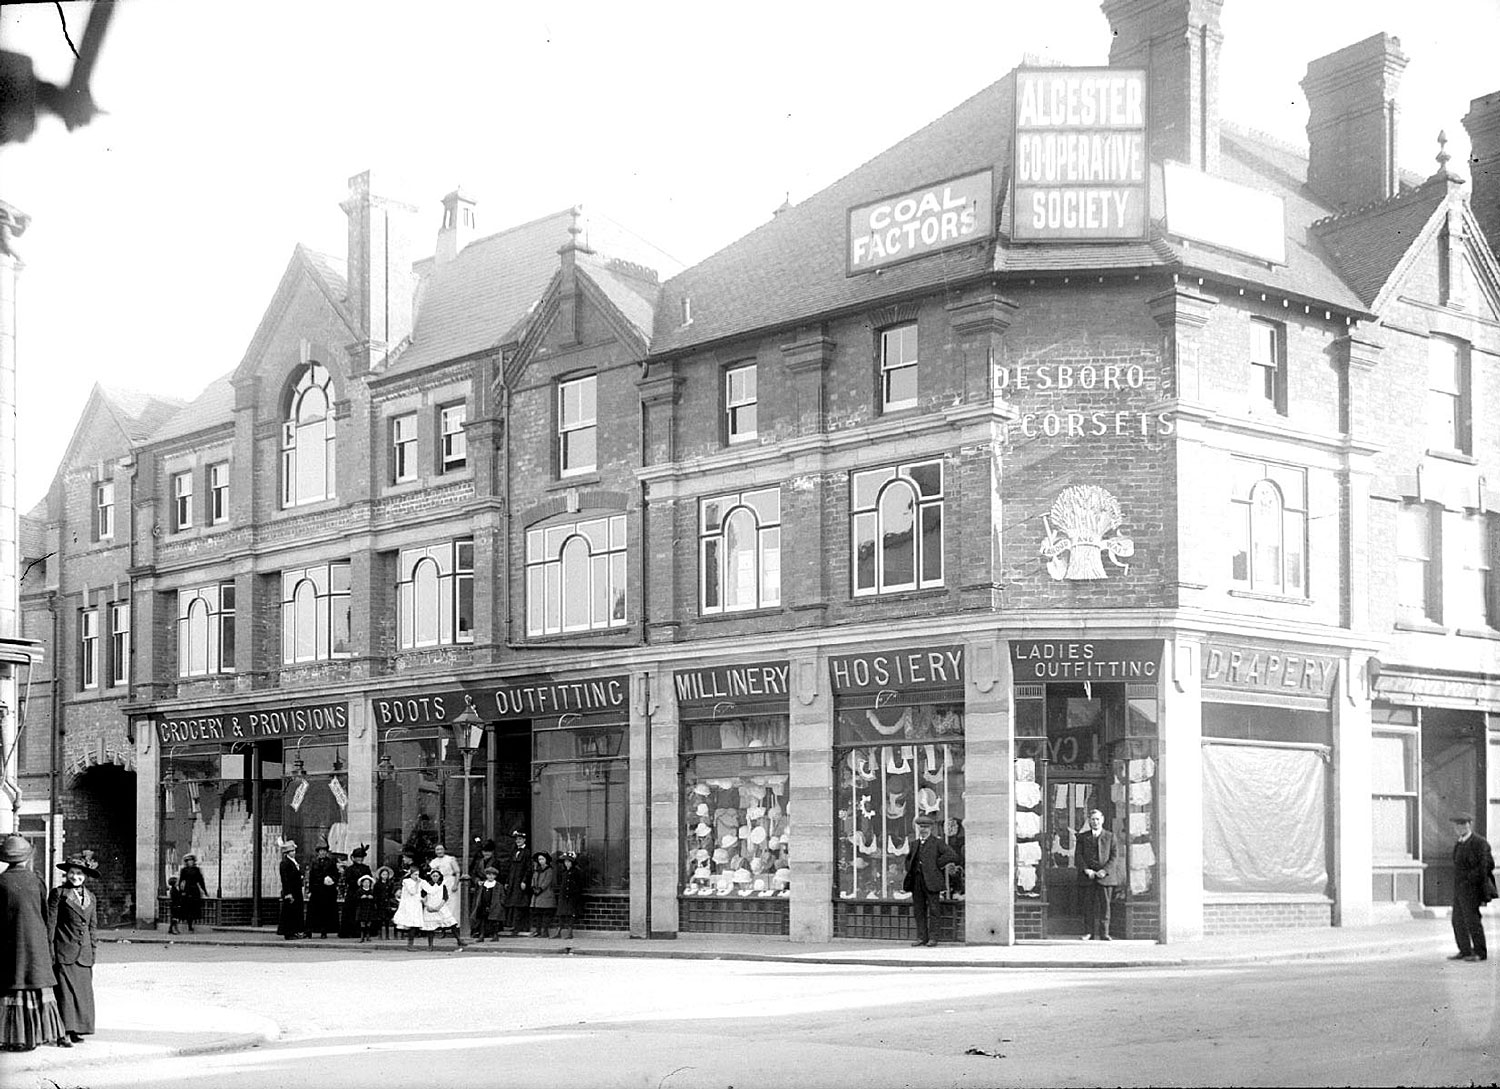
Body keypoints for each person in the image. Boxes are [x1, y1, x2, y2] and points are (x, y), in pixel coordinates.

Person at [0, 834, 69, 1051]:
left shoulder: (0, 882)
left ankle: (12, 1037)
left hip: (11, 943)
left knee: (12, 987)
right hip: (35, 944)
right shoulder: (37, 881)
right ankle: (37, 1035)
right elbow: (43, 913)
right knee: (36, 988)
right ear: (26, 858)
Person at [47, 856, 99, 1044]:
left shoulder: (91, 897)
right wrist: (50, 951)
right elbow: (50, 925)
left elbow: (93, 928)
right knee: (66, 994)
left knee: (82, 994)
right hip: (64, 951)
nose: (75, 876)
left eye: (79, 873)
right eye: (72, 873)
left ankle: (78, 1030)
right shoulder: (59, 894)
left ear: (85, 876)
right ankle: (64, 1033)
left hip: (83, 954)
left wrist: (93, 952)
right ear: (66, 874)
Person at [903, 815, 960, 947]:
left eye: (926, 827)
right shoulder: (914, 844)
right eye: (921, 827)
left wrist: (937, 864)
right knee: (919, 910)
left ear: (931, 829)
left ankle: (933, 938)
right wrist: (911, 869)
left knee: (934, 910)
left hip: (932, 881)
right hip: (917, 881)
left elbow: (952, 855)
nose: (923, 830)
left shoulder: (937, 843)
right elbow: (908, 860)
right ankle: (921, 937)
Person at [1448, 814, 1495, 962]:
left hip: (1472, 889)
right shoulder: (1460, 843)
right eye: (1457, 825)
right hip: (1460, 890)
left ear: (1469, 825)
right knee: (1457, 920)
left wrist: (1470, 880)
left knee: (1472, 920)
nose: (1459, 828)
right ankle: (1465, 950)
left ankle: (1480, 952)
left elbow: (1487, 865)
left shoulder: (1479, 843)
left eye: (1463, 825)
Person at [1075, 808, 1122, 941]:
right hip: (1088, 877)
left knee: (1105, 906)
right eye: (1092, 819)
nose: (1095, 822)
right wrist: (1086, 870)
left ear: (1102, 820)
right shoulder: (1083, 837)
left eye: (1097, 819)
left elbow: (1114, 857)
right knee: (1088, 905)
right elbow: (1078, 856)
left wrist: (1104, 871)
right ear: (1089, 821)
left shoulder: (1110, 836)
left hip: (1105, 878)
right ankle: (1088, 932)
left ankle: (1104, 933)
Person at [419, 868, 464, 950]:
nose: (435, 877)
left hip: (441, 907)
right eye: (433, 876)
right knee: (430, 928)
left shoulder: (442, 885)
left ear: (439, 876)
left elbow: (445, 897)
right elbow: (422, 897)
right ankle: (430, 945)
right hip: (430, 907)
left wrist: (439, 907)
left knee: (452, 923)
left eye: (437, 876)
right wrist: (427, 906)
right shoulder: (427, 885)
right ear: (431, 876)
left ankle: (459, 940)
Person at [501, 830, 531, 936]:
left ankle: (520, 926)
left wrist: (524, 881)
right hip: (513, 881)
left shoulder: (526, 852)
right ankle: (512, 925)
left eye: (520, 839)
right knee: (512, 903)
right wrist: (507, 881)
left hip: (520, 881)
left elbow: (528, 868)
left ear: (524, 840)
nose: (518, 841)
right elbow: (510, 868)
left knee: (520, 904)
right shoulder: (514, 851)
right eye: (517, 839)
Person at [307, 844, 340, 939]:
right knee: (313, 912)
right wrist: (310, 890)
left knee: (325, 911)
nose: (322, 853)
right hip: (316, 890)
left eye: (324, 851)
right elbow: (311, 877)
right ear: (318, 852)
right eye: (321, 851)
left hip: (327, 890)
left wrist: (331, 880)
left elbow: (336, 875)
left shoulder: (331, 862)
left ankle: (324, 931)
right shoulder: (314, 862)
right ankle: (310, 931)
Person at [392, 862, 425, 950]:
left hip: (416, 905)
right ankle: (410, 945)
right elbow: (412, 892)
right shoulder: (407, 882)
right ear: (410, 875)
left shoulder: (420, 881)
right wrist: (418, 883)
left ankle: (411, 944)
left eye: (418, 874)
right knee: (411, 924)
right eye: (415, 874)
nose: (416, 876)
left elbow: (419, 893)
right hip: (409, 905)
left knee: (414, 925)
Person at [340, 845, 372, 938]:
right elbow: (348, 880)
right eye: (357, 857)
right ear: (353, 858)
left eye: (361, 857)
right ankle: (349, 931)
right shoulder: (349, 869)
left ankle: (362, 931)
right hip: (353, 892)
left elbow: (369, 878)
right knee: (350, 912)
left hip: (363, 892)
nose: (360, 859)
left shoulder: (366, 868)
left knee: (363, 912)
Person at [276, 839, 304, 940]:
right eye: (291, 851)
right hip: (290, 891)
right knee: (289, 912)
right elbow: (285, 879)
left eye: (294, 851)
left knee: (296, 911)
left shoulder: (294, 862)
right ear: (286, 853)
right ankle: (288, 932)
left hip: (296, 890)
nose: (293, 853)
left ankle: (296, 930)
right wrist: (288, 893)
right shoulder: (285, 863)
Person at [472, 866, 504, 942]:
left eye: (493, 875)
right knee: (483, 920)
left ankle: (495, 935)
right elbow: (479, 894)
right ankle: (482, 935)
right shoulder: (483, 885)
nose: (490, 877)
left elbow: (502, 895)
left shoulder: (498, 885)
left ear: (495, 876)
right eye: (489, 875)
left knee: (494, 921)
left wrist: (500, 903)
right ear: (486, 875)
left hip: (494, 905)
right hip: (483, 904)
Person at [177, 854, 208, 933]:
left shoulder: (197, 870)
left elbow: (201, 881)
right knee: (187, 908)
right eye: (188, 861)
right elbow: (181, 881)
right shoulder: (184, 870)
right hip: (187, 890)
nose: (190, 862)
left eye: (191, 861)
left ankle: (192, 923)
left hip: (194, 890)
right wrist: (180, 891)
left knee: (194, 908)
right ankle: (189, 924)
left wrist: (204, 891)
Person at [555, 852, 583, 939]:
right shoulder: (563, 872)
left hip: (572, 896)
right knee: (561, 913)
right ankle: (559, 930)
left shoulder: (576, 872)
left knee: (571, 913)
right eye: (565, 862)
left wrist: (575, 893)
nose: (567, 863)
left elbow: (579, 885)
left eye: (569, 862)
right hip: (563, 895)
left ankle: (570, 932)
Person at [529, 852, 556, 938]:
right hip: (537, 896)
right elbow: (533, 879)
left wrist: (540, 888)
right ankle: (538, 930)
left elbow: (547, 881)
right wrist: (533, 887)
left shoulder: (549, 870)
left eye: (542, 859)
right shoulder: (537, 870)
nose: (541, 861)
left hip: (546, 894)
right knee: (538, 914)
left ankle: (545, 931)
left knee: (545, 915)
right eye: (539, 859)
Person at [353, 874, 380, 943]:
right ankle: (362, 937)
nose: (366, 884)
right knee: (362, 923)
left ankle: (368, 936)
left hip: (370, 908)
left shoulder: (372, 891)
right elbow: (355, 899)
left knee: (368, 924)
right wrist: (361, 897)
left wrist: (372, 898)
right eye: (365, 882)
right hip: (362, 908)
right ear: (362, 883)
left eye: (368, 882)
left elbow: (376, 899)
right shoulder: (359, 891)